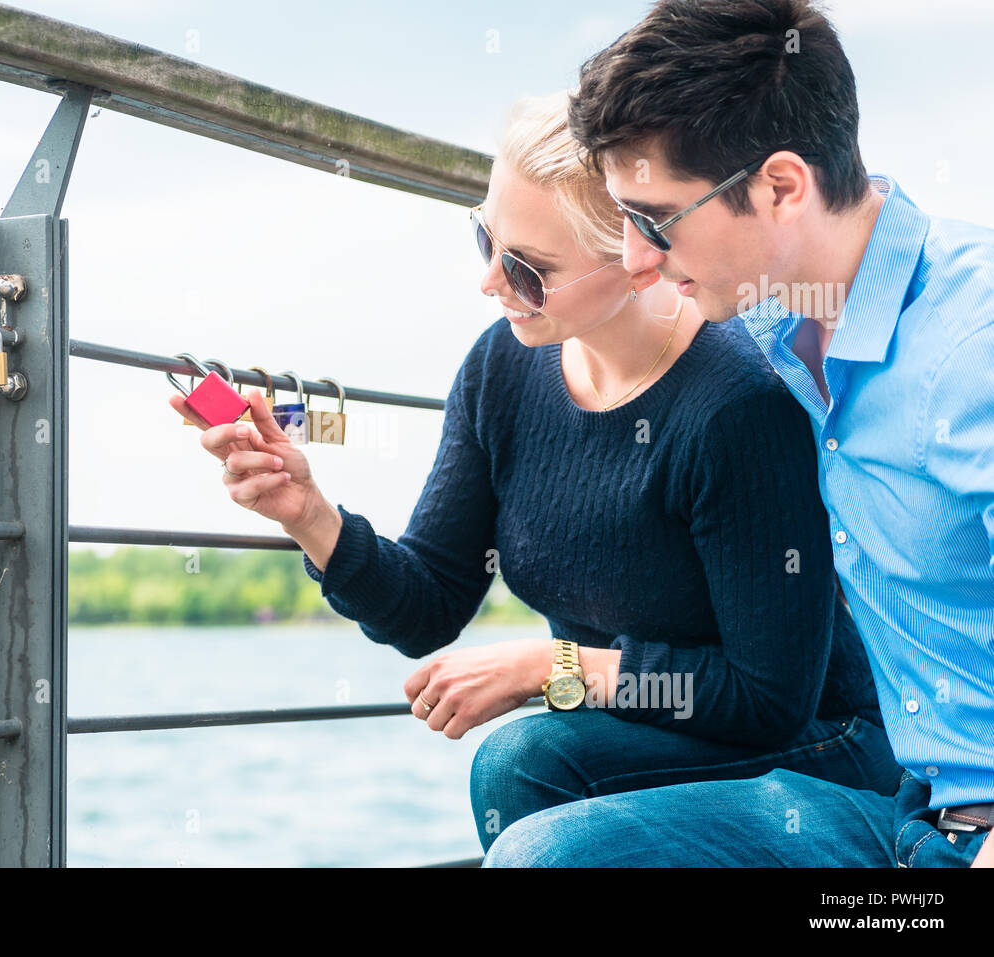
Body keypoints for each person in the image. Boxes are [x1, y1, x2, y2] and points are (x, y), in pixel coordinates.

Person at [167, 91, 898, 856]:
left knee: (522, 765)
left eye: (527, 268)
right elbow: (428, 606)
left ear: (641, 259)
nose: (489, 282)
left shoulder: (737, 407)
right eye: (485, 236)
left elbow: (765, 700)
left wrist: (554, 667)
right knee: (522, 766)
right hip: (648, 727)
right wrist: (307, 512)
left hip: (819, 742)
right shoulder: (501, 368)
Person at [478, 0, 994, 868]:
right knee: (540, 830)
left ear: (782, 187)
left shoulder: (970, 351)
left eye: (652, 220)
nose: (637, 260)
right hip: (904, 816)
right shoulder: (775, 326)